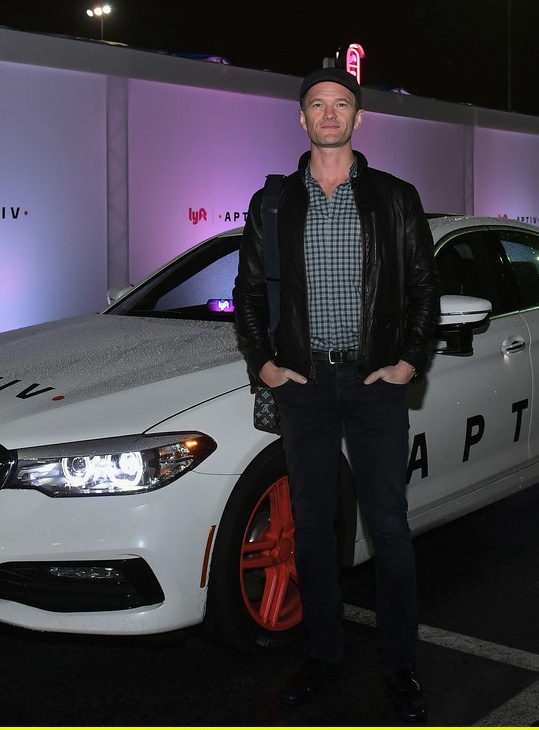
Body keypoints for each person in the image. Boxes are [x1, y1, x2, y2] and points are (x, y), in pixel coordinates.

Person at [233, 67, 441, 722]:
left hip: (375, 383)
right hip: (305, 385)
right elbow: (248, 294)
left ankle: (399, 665)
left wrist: (409, 362)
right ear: (302, 119)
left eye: (341, 104)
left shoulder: (394, 197)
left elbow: (424, 289)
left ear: (358, 118)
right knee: (314, 529)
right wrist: (265, 365)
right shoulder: (273, 202)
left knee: (389, 528)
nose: (329, 114)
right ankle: (324, 655)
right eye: (318, 105)